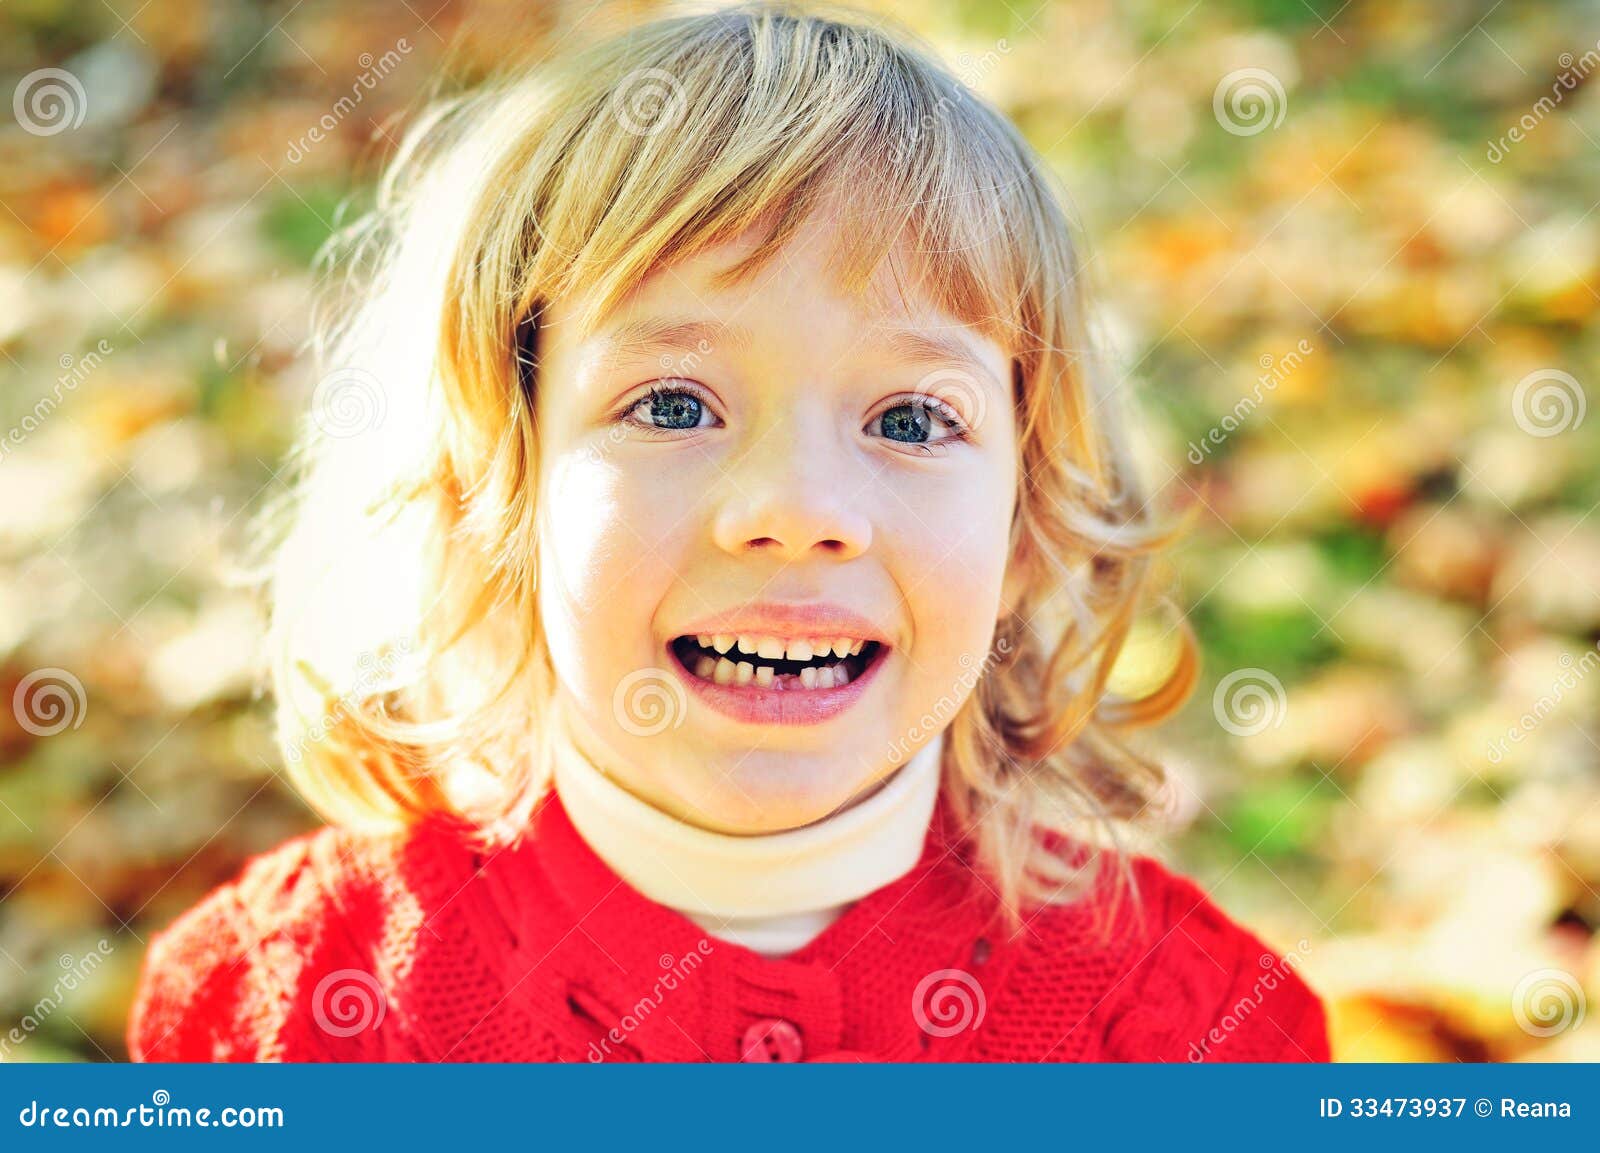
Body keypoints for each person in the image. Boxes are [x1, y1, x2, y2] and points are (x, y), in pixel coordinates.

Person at [127, 1, 1330, 1063]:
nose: (798, 511)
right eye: (671, 404)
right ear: (499, 482)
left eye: (910, 417)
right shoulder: (283, 1012)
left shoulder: (1198, 1037)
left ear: (1026, 522)